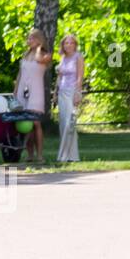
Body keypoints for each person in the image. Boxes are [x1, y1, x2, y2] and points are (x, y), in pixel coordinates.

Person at [15, 29, 51, 163]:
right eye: (28, 38)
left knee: (35, 123)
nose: (28, 41)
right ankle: (30, 154)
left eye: (31, 38)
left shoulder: (46, 55)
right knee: (26, 124)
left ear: (39, 40)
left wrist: (39, 48)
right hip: (23, 92)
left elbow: (39, 59)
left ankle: (40, 154)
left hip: (36, 92)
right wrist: (15, 90)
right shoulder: (25, 55)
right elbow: (20, 74)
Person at [55, 33, 84, 163]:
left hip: (72, 91)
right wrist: (55, 93)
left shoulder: (78, 57)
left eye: (71, 43)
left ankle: (68, 155)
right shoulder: (63, 58)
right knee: (63, 124)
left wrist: (78, 93)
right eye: (66, 43)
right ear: (63, 45)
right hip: (62, 92)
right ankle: (68, 155)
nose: (69, 45)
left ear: (75, 45)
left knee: (70, 124)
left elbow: (80, 77)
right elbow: (59, 77)